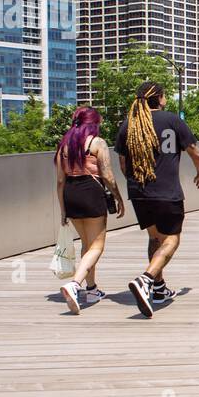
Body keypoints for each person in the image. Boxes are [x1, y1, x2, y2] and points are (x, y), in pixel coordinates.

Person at [115, 81, 199, 318]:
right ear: (161, 98)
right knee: (172, 239)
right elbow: (195, 151)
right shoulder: (172, 120)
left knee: (154, 237)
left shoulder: (130, 125)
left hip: (139, 191)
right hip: (167, 192)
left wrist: (136, 182)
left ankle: (158, 288)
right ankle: (146, 279)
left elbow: (123, 163)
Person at [55, 107, 124, 314]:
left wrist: (63, 209)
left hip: (71, 194)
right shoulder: (97, 143)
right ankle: (75, 284)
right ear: (93, 123)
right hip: (91, 193)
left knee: (87, 244)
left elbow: (60, 181)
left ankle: (92, 289)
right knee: (97, 246)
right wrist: (119, 197)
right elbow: (107, 175)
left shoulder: (64, 146)